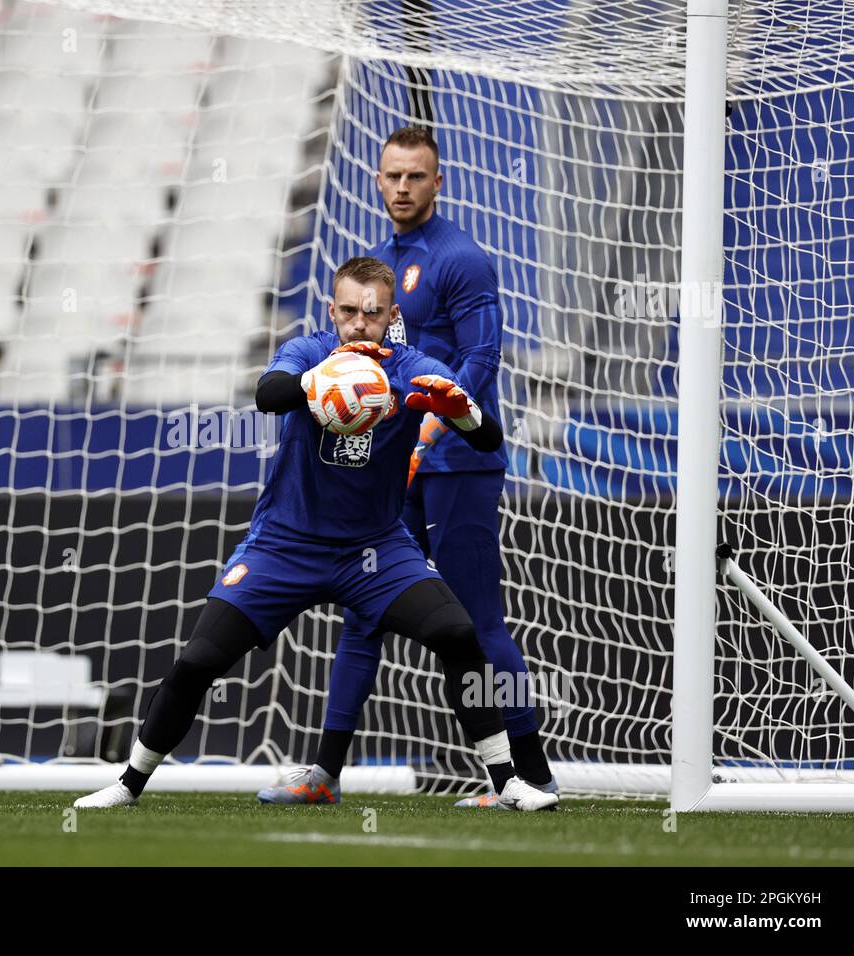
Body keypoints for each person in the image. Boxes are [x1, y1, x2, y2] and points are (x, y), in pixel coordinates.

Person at [73, 257, 558, 812]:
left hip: (374, 548)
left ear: (392, 315)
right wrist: (320, 381)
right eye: (348, 312)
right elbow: (267, 394)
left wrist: (462, 411)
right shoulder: (308, 352)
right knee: (199, 661)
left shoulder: (409, 364)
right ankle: (127, 784)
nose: (359, 324)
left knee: (457, 634)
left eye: (372, 314)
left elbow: (486, 435)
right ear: (333, 311)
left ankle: (505, 783)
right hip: (285, 544)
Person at [259, 126, 556, 808]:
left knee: (479, 624)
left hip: (456, 468)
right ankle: (326, 776)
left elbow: (482, 361)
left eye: (416, 176)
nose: (402, 187)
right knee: (363, 617)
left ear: (437, 182)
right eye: (392, 175)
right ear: (378, 178)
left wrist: (432, 426)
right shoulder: (380, 265)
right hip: (397, 469)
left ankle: (531, 773)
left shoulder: (462, 260)